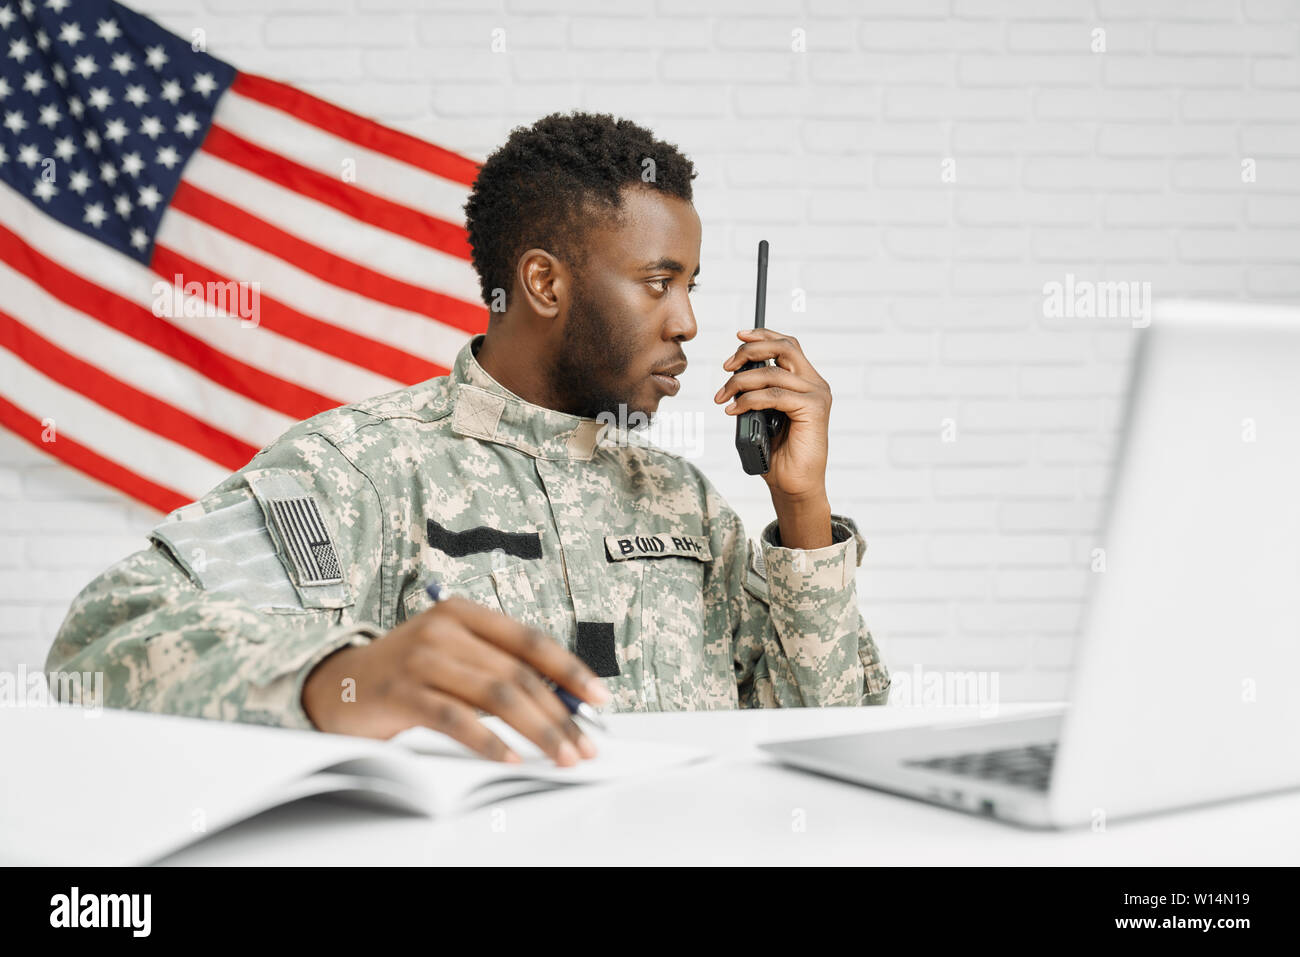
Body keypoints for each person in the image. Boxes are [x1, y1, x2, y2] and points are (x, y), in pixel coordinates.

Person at [47, 111, 890, 767]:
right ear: (544, 282)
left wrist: (802, 508)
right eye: (657, 283)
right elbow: (104, 638)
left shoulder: (685, 501)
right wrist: (344, 674)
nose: (689, 322)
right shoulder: (360, 471)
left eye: (691, 286)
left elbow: (824, 741)